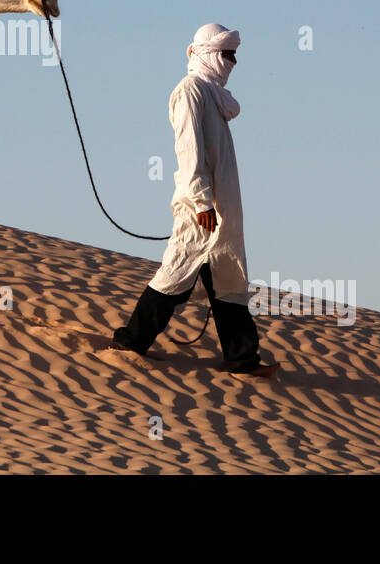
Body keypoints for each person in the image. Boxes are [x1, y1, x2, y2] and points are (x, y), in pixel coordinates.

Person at [111, 22, 277, 377]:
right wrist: (201, 202)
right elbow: (189, 152)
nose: (232, 61)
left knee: (228, 279)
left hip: (221, 209)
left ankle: (242, 358)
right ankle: (130, 343)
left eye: (234, 54)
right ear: (204, 53)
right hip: (200, 208)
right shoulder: (190, 91)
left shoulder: (214, 97)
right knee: (176, 273)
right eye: (226, 54)